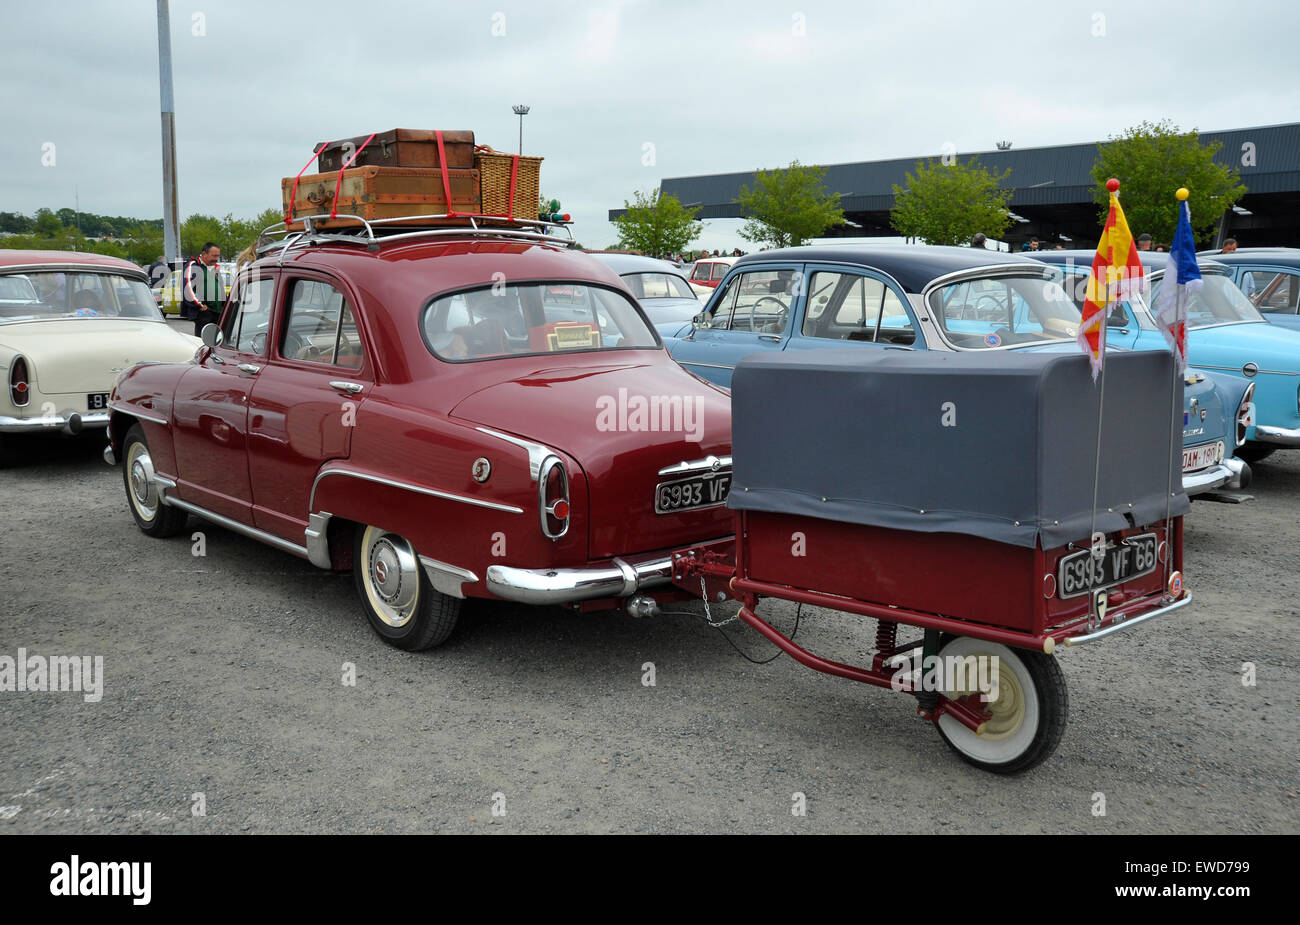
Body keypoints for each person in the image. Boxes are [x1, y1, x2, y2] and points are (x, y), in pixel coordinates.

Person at [182, 242, 224, 337]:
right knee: (202, 342)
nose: (216, 259)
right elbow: (188, 288)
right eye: (214, 256)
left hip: (218, 312)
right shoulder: (193, 265)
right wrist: (199, 305)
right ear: (204, 254)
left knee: (216, 342)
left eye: (218, 256)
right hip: (204, 313)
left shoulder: (214, 267)